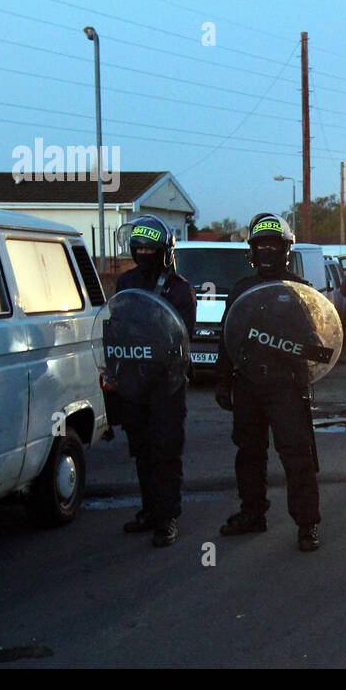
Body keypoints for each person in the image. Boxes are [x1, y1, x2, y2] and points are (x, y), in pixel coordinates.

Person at [214, 213, 323, 553]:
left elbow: (316, 343)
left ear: (286, 249)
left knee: (296, 455)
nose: (266, 250)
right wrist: (223, 382)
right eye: (260, 244)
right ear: (252, 249)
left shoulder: (299, 291)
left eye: (273, 244)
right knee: (248, 453)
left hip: (285, 386)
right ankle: (252, 513)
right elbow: (227, 338)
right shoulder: (242, 289)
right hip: (247, 384)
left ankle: (307, 525)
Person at [114, 215, 196, 548]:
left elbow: (182, 336)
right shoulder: (126, 282)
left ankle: (167, 518)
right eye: (140, 248)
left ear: (163, 250)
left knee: (165, 450)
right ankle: (149, 511)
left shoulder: (179, 288)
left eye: (151, 248)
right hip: (134, 381)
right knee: (142, 450)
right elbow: (116, 323)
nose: (144, 252)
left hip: (167, 384)